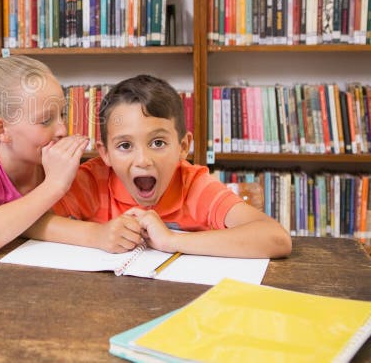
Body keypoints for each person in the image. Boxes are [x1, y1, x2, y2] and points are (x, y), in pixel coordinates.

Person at [54, 74, 292, 258]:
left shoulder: (195, 187)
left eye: (157, 143)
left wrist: (171, 241)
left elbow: (276, 239)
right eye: (125, 146)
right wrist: (97, 235)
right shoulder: (93, 181)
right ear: (105, 153)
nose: (143, 160)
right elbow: (30, 221)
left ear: (183, 147)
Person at [0, 53, 113, 254]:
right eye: (45, 121)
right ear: (2, 130)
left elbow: (42, 225)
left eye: (62, 114)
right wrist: (55, 185)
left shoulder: (48, 163)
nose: (62, 130)